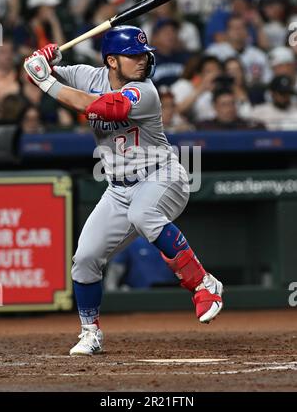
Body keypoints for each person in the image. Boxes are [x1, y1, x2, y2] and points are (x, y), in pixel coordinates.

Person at [24, 25, 223, 356]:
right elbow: (39, 70)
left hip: (162, 176)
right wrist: (43, 60)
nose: (143, 61)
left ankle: (203, 284)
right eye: (133, 56)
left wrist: (45, 80)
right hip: (118, 187)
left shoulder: (145, 92)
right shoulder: (88, 74)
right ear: (112, 61)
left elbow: (98, 107)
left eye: (144, 55)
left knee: (144, 214)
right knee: (85, 258)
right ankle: (90, 332)